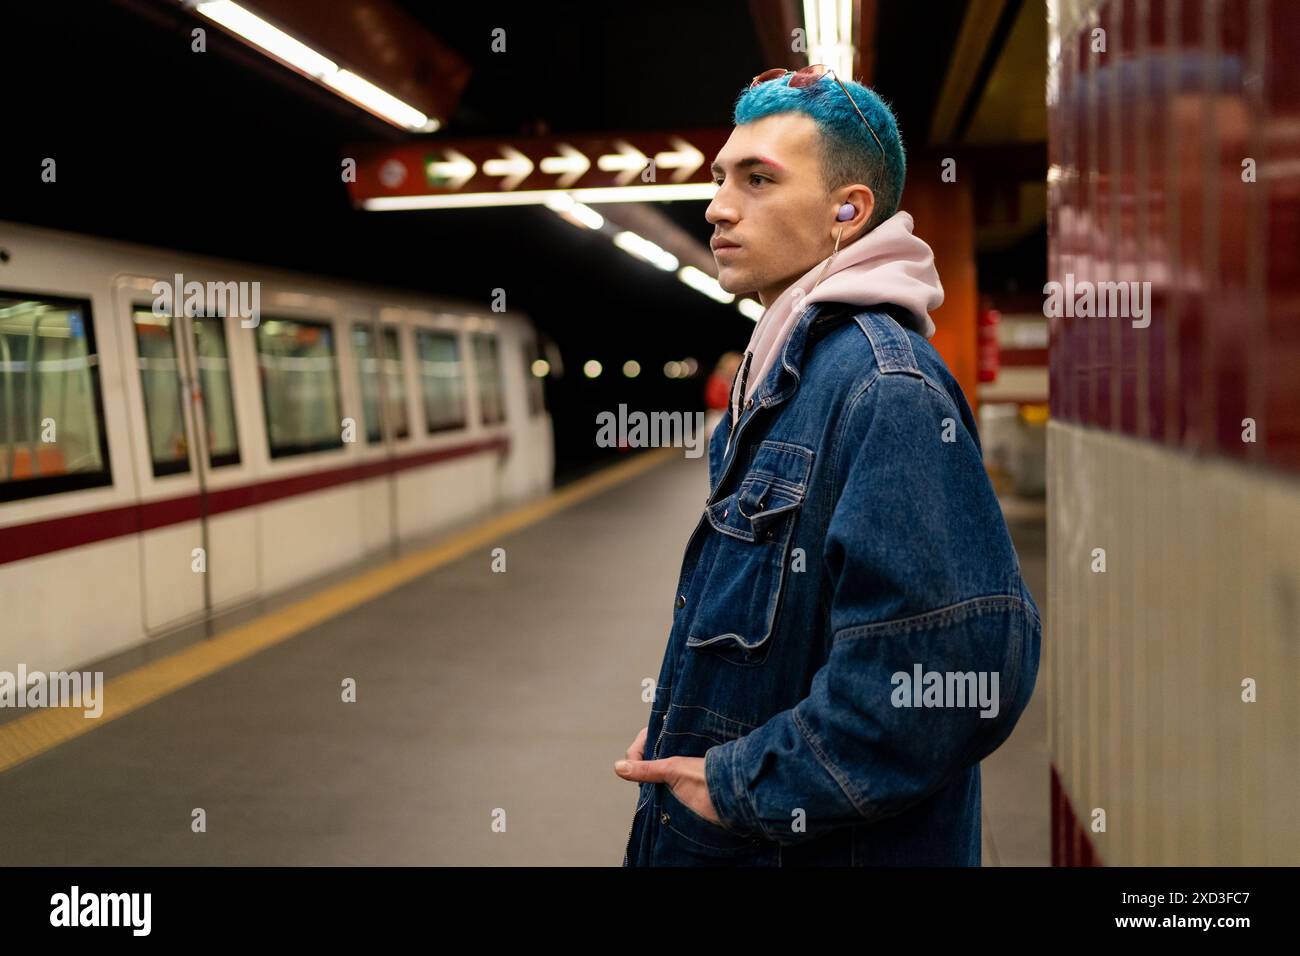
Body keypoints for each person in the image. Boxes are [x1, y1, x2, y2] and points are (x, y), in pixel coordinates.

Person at [616, 65, 1041, 866]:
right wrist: (691, 718)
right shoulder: (789, 374)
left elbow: (954, 680)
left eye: (758, 180)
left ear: (848, 212)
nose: (716, 206)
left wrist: (741, 783)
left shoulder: (884, 387)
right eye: (719, 178)